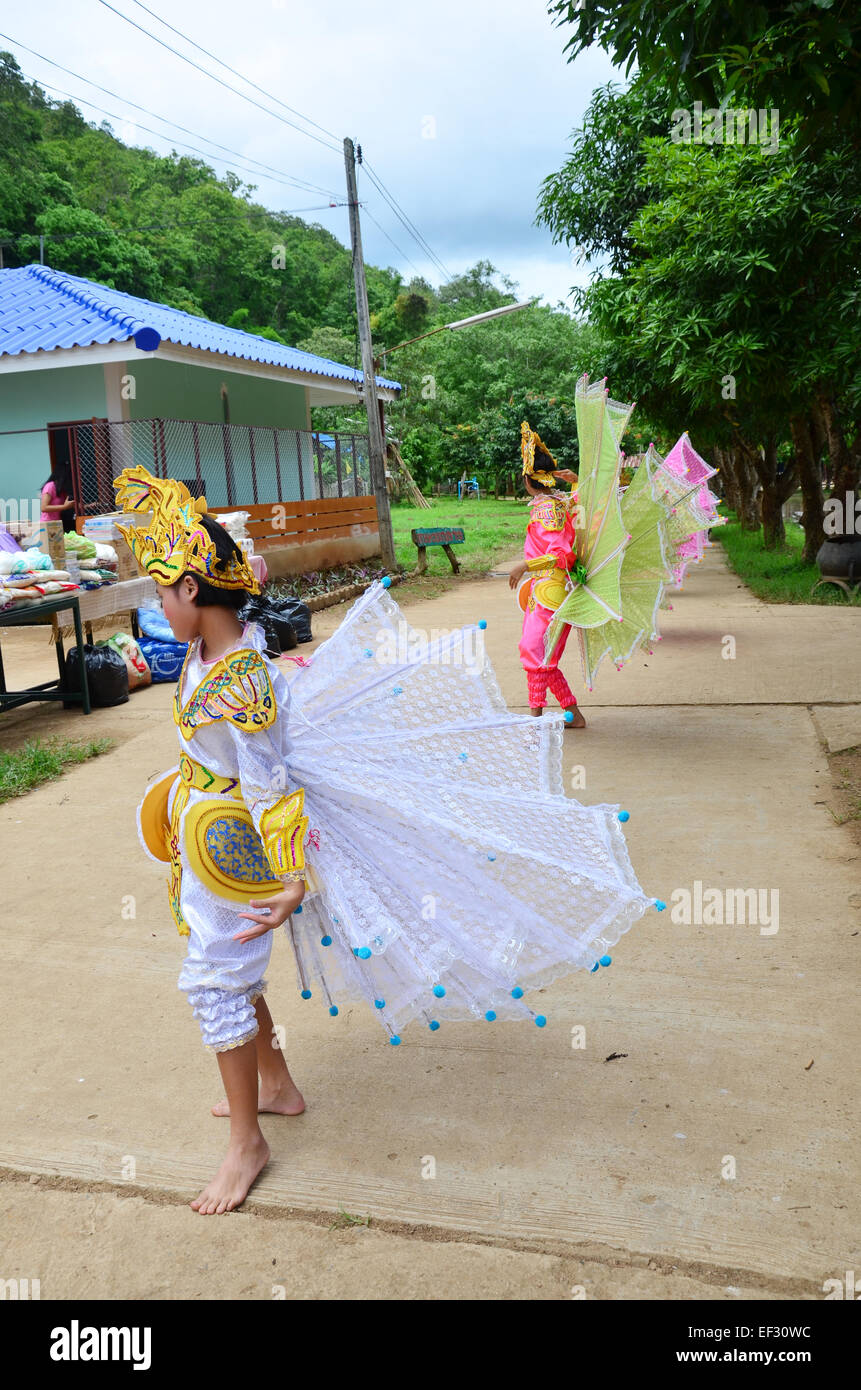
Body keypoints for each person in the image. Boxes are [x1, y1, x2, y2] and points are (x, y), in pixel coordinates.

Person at [116, 464, 658, 1215]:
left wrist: (290, 881)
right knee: (226, 971)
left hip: (241, 850)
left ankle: (247, 1143)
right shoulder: (211, 656)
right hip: (209, 838)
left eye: (160, 590)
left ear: (192, 589)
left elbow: (270, 784)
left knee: (214, 980)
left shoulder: (240, 679)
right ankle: (273, 1085)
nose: (158, 604)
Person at [509, 423, 585, 725]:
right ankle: (572, 715)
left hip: (550, 590)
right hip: (546, 590)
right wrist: (577, 483)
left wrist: (524, 565)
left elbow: (560, 554)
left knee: (535, 651)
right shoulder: (557, 503)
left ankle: (535, 718)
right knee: (541, 654)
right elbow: (580, 515)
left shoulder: (547, 510)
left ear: (528, 481)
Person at [40, 461, 75, 533]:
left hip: (57, 524)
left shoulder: (62, 490)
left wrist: (89, 506)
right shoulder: (50, 486)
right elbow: (44, 508)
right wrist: (64, 507)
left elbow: (71, 505)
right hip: (47, 524)